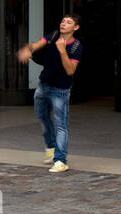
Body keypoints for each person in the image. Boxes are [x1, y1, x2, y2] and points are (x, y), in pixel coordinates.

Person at [17, 13, 83, 173]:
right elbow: (37, 45)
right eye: (63, 21)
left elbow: (70, 70)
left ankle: (61, 160)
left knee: (61, 125)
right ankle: (51, 147)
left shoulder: (76, 47)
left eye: (68, 22)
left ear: (75, 27)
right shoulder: (53, 35)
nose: (63, 24)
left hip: (60, 90)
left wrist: (62, 51)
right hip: (43, 86)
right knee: (42, 116)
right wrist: (27, 49)